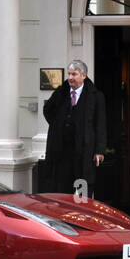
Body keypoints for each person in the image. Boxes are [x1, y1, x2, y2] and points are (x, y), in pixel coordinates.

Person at [41, 59, 106, 196]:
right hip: (62, 153)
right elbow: (48, 110)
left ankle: (82, 216)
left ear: (84, 76)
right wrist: (57, 127)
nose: (70, 78)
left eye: (74, 74)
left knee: (82, 193)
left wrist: (99, 150)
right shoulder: (61, 93)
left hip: (83, 153)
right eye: (69, 74)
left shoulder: (95, 96)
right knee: (62, 193)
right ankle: (64, 216)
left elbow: (100, 124)